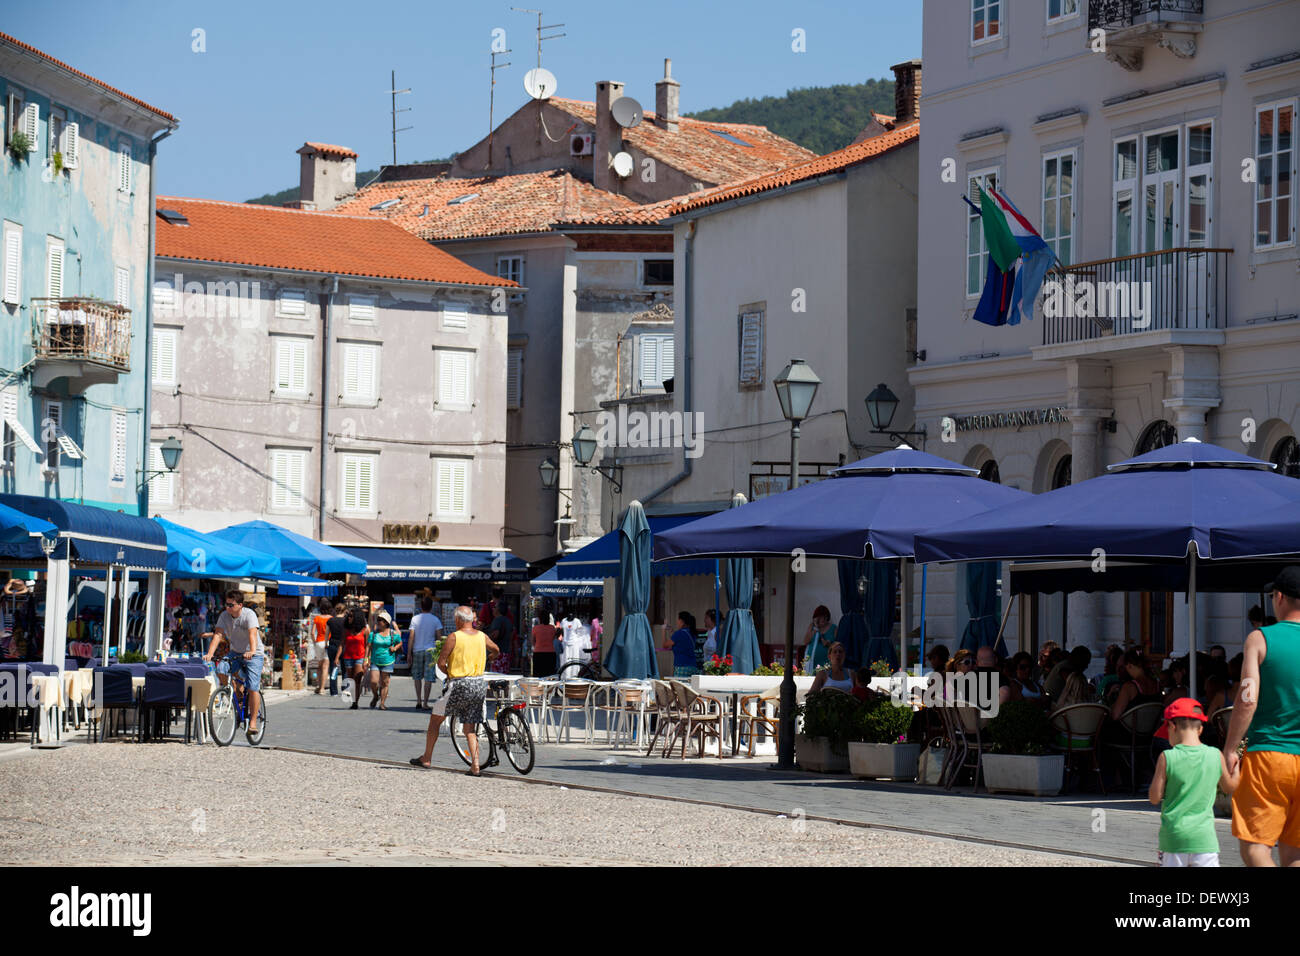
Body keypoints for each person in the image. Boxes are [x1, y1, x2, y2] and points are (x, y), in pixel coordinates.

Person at [1223, 568, 1300, 867]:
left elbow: (1247, 699)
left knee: (1256, 848)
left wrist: (1231, 748)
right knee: (1294, 853)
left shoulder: (1260, 638)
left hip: (1269, 754)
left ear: (1279, 597)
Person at [1149, 698, 1239, 867]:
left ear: (1172, 726)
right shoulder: (1215, 755)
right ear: (1200, 729)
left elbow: (1154, 797)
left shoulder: (1167, 757)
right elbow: (1229, 787)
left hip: (1173, 838)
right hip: (1204, 839)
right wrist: (1237, 767)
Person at [410, 606, 499, 776]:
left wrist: (450, 674)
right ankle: (476, 765)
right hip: (479, 685)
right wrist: (489, 659)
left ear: (458, 620)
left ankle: (427, 757)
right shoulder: (482, 636)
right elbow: (496, 649)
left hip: (459, 684)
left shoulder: (454, 637)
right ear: (471, 619)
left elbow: (441, 662)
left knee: (435, 719)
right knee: (469, 728)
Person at [202, 590, 264, 738]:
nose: (228, 607)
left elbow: (252, 634)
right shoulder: (224, 616)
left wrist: (252, 651)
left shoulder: (249, 615)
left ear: (240, 605)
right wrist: (210, 654)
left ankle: (253, 723)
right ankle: (234, 693)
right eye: (226, 604)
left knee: (253, 687)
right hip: (236, 651)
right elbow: (218, 635)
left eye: (231, 605)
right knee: (221, 669)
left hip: (253, 653)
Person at [408, 597, 442, 709]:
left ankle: (418, 700)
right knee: (428, 677)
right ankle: (425, 703)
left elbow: (411, 637)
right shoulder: (435, 620)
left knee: (417, 676)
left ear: (421, 606)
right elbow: (439, 638)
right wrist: (440, 654)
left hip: (417, 650)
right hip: (431, 650)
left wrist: (409, 653)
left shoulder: (415, 619)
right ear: (431, 606)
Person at [367, 613, 402, 710]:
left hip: (388, 661)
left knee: (385, 683)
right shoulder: (373, 634)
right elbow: (368, 646)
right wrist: (366, 659)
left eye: (380, 620)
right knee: (373, 682)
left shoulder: (393, 634)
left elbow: (400, 642)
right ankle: (375, 696)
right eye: (378, 620)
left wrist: (395, 648)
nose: (378, 622)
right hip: (375, 660)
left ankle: (382, 703)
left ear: (386, 622)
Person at [341, 607, 369, 710]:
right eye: (348, 616)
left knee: (357, 679)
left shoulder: (365, 630)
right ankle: (352, 700)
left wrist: (367, 659)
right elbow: (342, 643)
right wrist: (336, 658)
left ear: (357, 617)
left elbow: (368, 646)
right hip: (348, 657)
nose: (349, 618)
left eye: (351, 616)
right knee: (350, 680)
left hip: (360, 657)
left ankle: (355, 702)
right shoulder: (346, 629)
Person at [662, 612, 698, 677]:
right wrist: (672, 632)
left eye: (678, 620)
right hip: (693, 666)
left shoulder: (679, 634)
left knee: (680, 687)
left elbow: (665, 645)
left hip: (682, 667)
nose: (677, 622)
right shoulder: (691, 633)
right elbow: (681, 643)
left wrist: (663, 630)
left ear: (682, 621)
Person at [308, 600, 332, 694]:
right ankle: (322, 688)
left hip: (318, 642)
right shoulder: (331, 618)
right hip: (328, 642)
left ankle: (318, 686)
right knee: (326, 666)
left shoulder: (317, 618)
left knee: (319, 665)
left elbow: (312, 633)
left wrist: (314, 642)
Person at [802, 606, 836, 674]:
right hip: (812, 663)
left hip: (826, 662)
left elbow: (837, 646)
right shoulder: (812, 627)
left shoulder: (834, 628)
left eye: (825, 617)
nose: (823, 619)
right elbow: (806, 641)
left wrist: (828, 644)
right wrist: (815, 629)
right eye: (820, 617)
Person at [487, 605, 516, 673]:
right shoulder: (508, 620)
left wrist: (486, 638)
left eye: (495, 607)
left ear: (499, 610)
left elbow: (496, 634)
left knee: (496, 677)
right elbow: (512, 634)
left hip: (498, 653)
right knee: (504, 675)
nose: (493, 608)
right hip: (506, 652)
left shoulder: (497, 620)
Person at [326, 602, 346, 696]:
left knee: (333, 668)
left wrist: (326, 643)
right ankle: (345, 689)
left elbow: (327, 635)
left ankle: (333, 691)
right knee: (345, 669)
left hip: (333, 645)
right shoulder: (346, 621)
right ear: (344, 611)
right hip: (344, 646)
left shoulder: (330, 620)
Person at [531, 613, 558, 677]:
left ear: (540, 619)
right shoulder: (552, 628)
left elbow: (533, 641)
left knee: (538, 674)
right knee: (549, 674)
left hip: (538, 653)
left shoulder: (535, 628)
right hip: (550, 653)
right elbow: (553, 638)